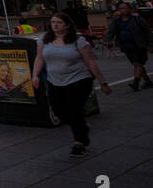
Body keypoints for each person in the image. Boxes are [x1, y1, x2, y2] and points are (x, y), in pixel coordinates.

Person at [32, 13, 112, 157]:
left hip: (78, 80)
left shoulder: (78, 41)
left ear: (67, 25)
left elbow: (90, 62)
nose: (55, 25)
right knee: (59, 111)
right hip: (54, 81)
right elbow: (39, 59)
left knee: (75, 111)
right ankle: (81, 127)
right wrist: (34, 75)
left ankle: (80, 144)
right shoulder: (44, 40)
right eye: (53, 22)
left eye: (59, 22)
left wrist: (103, 83)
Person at [105, 1, 151, 90]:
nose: (124, 10)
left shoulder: (138, 19)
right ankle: (147, 81)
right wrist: (108, 40)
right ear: (118, 10)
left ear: (130, 9)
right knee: (137, 64)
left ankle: (136, 82)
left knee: (137, 63)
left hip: (139, 45)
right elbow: (110, 31)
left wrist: (151, 45)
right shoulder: (116, 21)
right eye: (121, 8)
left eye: (126, 8)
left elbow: (148, 32)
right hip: (126, 46)